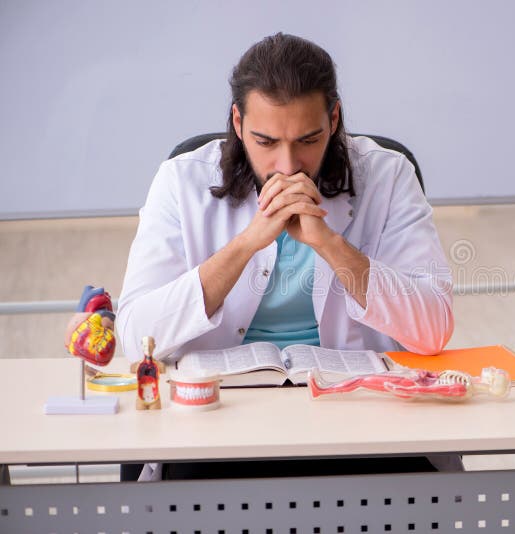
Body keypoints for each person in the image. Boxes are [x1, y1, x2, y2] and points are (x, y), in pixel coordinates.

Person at [117, 33, 456, 479]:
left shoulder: (388, 175)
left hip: (360, 415)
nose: (288, 164)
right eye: (266, 142)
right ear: (238, 122)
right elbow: (136, 336)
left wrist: (329, 243)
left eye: (308, 140)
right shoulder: (181, 180)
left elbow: (432, 329)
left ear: (334, 119)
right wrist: (247, 244)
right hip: (219, 417)